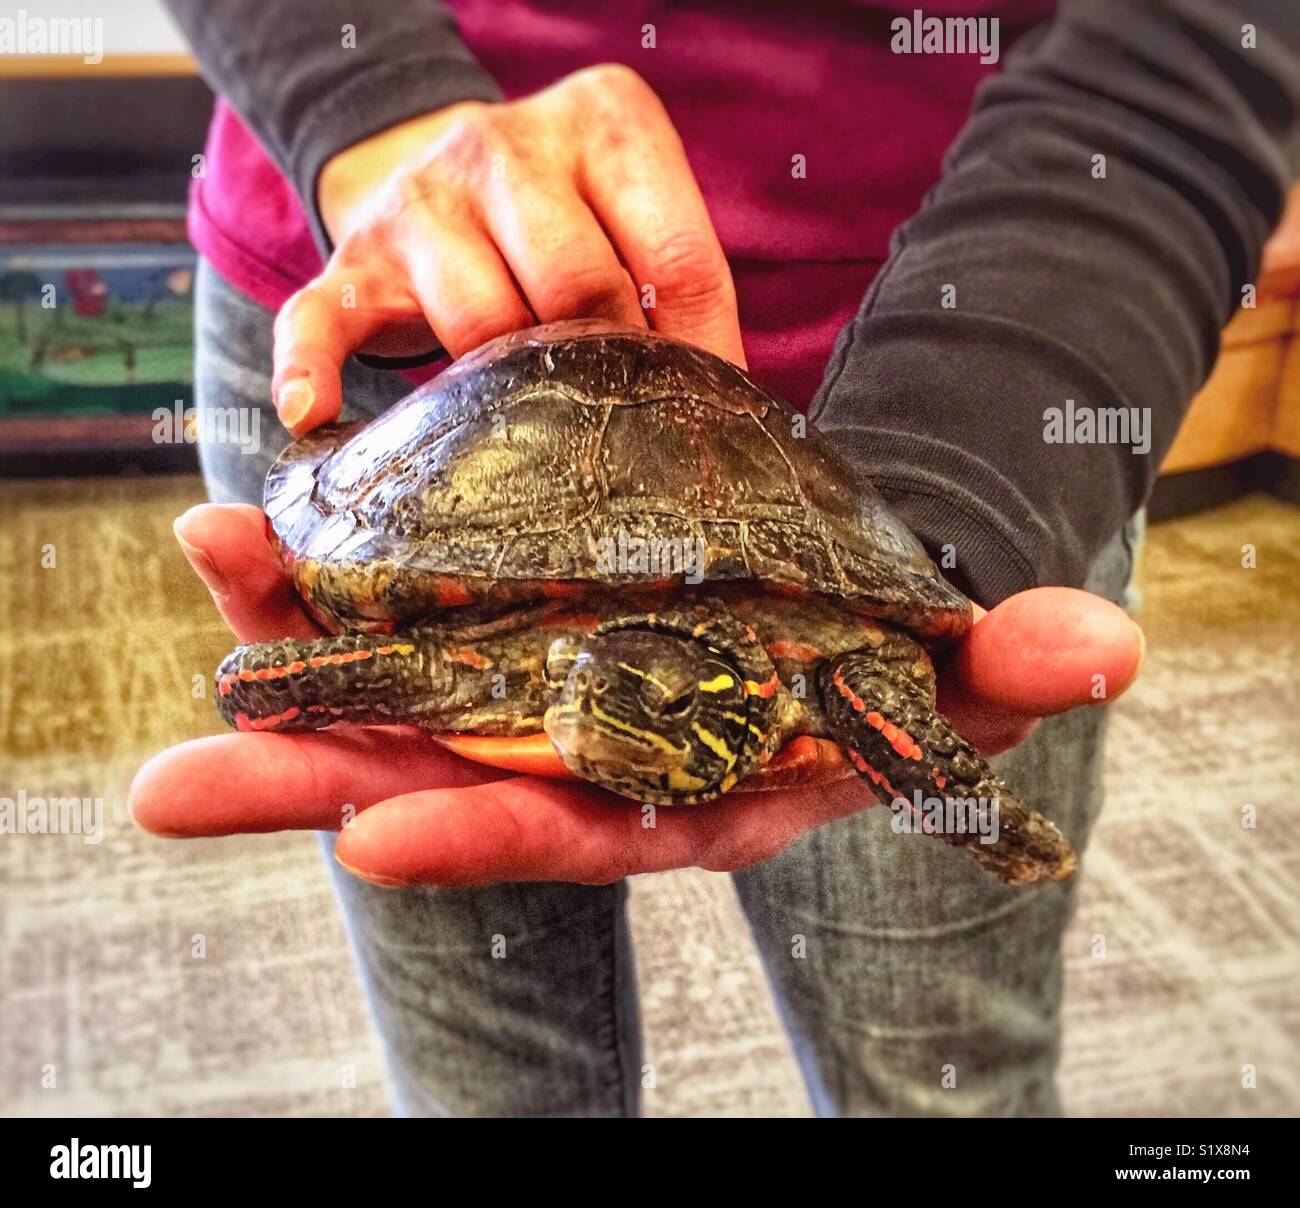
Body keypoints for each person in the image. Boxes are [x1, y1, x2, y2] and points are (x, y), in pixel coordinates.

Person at [132, 0, 1298, 1116]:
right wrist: (368, 101)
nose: (606, 703)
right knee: (477, 1084)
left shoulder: (825, 654)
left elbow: (1199, 48)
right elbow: (291, 674)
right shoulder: (498, 651)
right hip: (397, 314)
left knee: (942, 1078)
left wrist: (938, 500)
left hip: (949, 362)